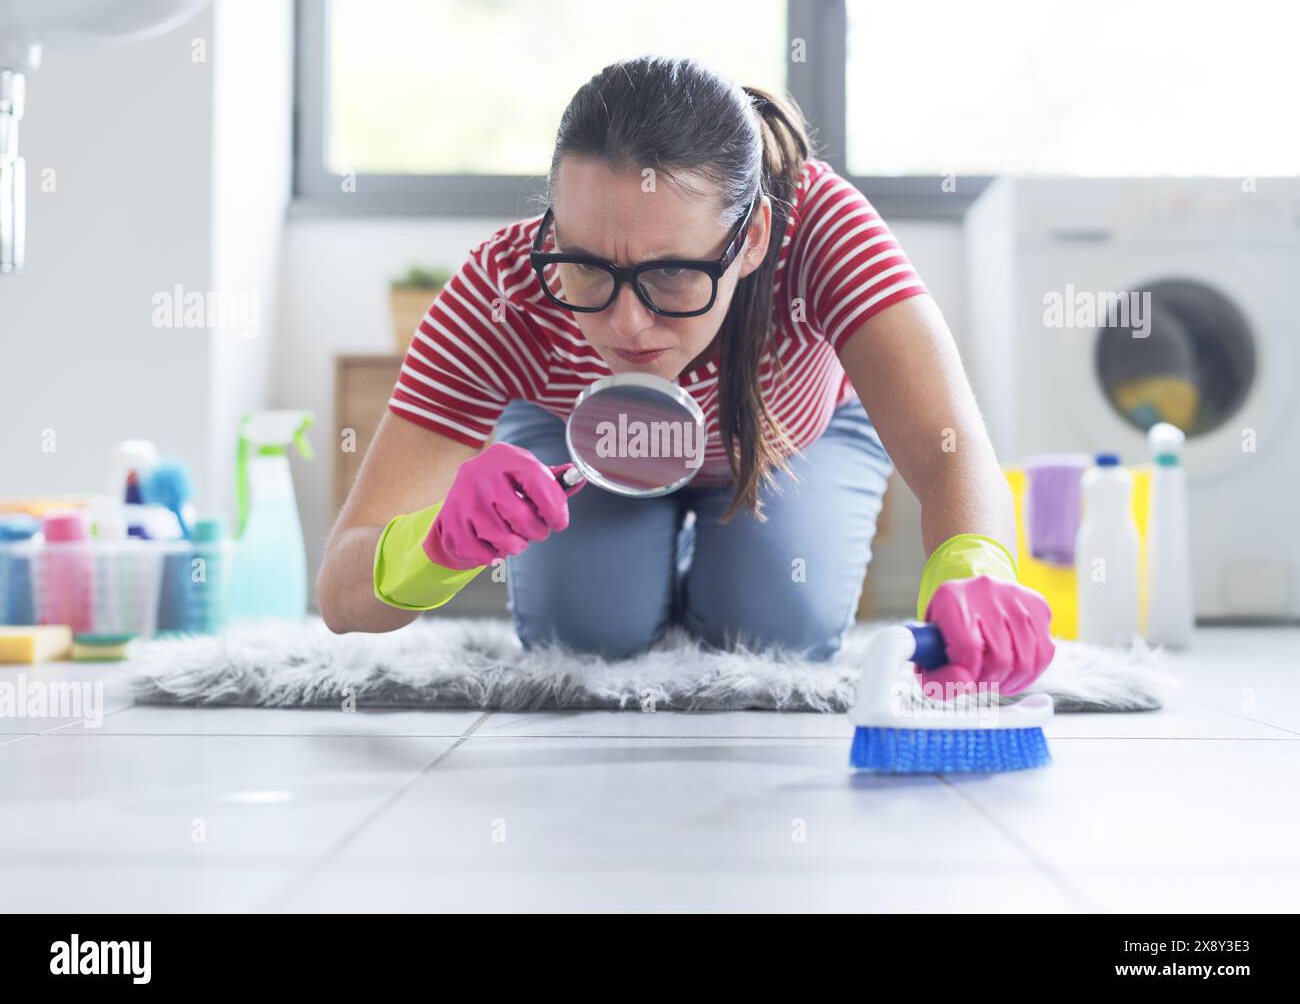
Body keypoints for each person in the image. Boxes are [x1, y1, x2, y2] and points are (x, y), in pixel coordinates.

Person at [318, 55, 1054, 696]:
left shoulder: (823, 224)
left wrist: (975, 571)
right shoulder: (504, 285)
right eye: (584, 268)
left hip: (801, 440)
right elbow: (340, 595)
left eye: (671, 274)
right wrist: (435, 542)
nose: (627, 324)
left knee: (772, 634)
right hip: (582, 454)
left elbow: (949, 450)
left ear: (754, 235)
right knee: (587, 639)